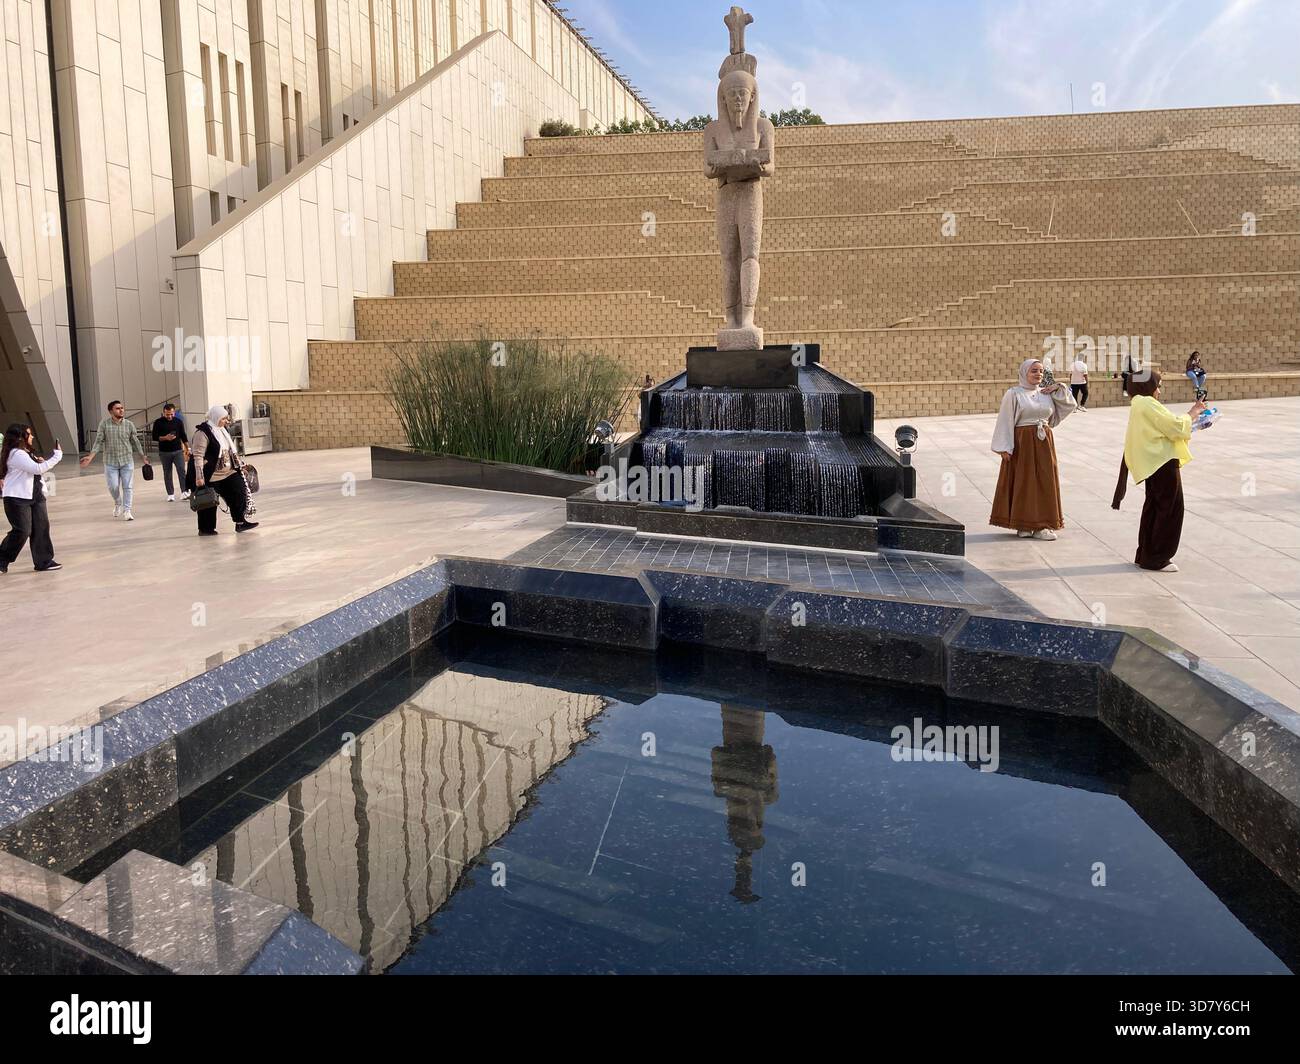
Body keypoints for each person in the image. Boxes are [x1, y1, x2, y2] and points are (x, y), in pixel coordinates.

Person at [1111, 370, 1205, 573]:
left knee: (1154, 507)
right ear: (1147, 387)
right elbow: (1175, 426)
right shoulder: (1147, 403)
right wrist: (1193, 412)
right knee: (1170, 509)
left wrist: (1193, 423)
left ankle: (1146, 554)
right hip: (1162, 462)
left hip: (1153, 462)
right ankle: (1157, 558)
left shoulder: (1138, 402)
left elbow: (1163, 428)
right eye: (1157, 386)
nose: (1159, 391)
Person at [989, 358, 1077, 540]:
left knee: (1045, 482)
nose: (1038, 374)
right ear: (1024, 373)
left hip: (1044, 443)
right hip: (1022, 443)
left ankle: (1043, 525)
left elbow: (1070, 405)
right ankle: (1024, 524)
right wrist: (1004, 447)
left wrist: (1058, 387)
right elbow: (1005, 420)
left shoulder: (1046, 393)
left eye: (1041, 371)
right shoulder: (1014, 394)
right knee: (1024, 482)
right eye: (1034, 371)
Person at [187, 404, 259, 536]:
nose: (226, 421)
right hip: (210, 475)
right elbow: (197, 456)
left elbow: (231, 451)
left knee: (239, 492)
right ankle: (206, 529)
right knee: (208, 502)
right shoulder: (202, 433)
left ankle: (240, 522)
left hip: (228, 472)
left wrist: (240, 466)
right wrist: (199, 476)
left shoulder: (222, 431)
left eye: (227, 418)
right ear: (215, 417)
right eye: (224, 418)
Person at [0, 424, 62, 574]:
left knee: (41, 528)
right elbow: (38, 469)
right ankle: (1, 559)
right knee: (22, 530)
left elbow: (33, 468)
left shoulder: (25, 452)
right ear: (21, 437)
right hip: (17, 498)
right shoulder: (16, 454)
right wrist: (57, 456)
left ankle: (44, 561)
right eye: (29, 434)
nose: (32, 437)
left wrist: (38, 461)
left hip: (35, 495)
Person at [79, 399, 150, 521]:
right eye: (118, 408)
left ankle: (127, 510)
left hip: (127, 460)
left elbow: (135, 441)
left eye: (122, 408)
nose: (121, 410)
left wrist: (142, 456)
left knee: (128, 486)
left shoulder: (129, 424)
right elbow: (99, 441)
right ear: (111, 411)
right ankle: (118, 503)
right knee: (113, 486)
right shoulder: (104, 424)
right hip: (110, 461)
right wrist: (90, 457)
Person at [151, 403, 190, 501]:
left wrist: (188, 448)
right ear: (163, 413)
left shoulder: (178, 421)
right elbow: (154, 437)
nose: (169, 416)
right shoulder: (158, 422)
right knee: (167, 473)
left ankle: (184, 491)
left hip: (177, 451)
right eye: (167, 414)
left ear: (174, 412)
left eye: (171, 414)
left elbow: (183, 435)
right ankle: (170, 494)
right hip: (164, 452)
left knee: (181, 470)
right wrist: (165, 438)